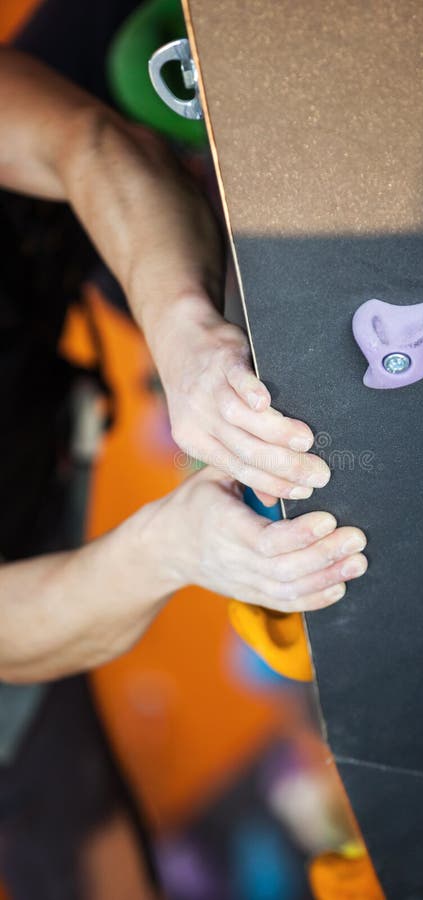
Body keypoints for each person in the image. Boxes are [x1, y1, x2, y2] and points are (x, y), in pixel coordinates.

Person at [0, 47, 368, 898]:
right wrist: (170, 547)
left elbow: (85, 142)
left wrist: (186, 339)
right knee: (68, 838)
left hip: (35, 344)